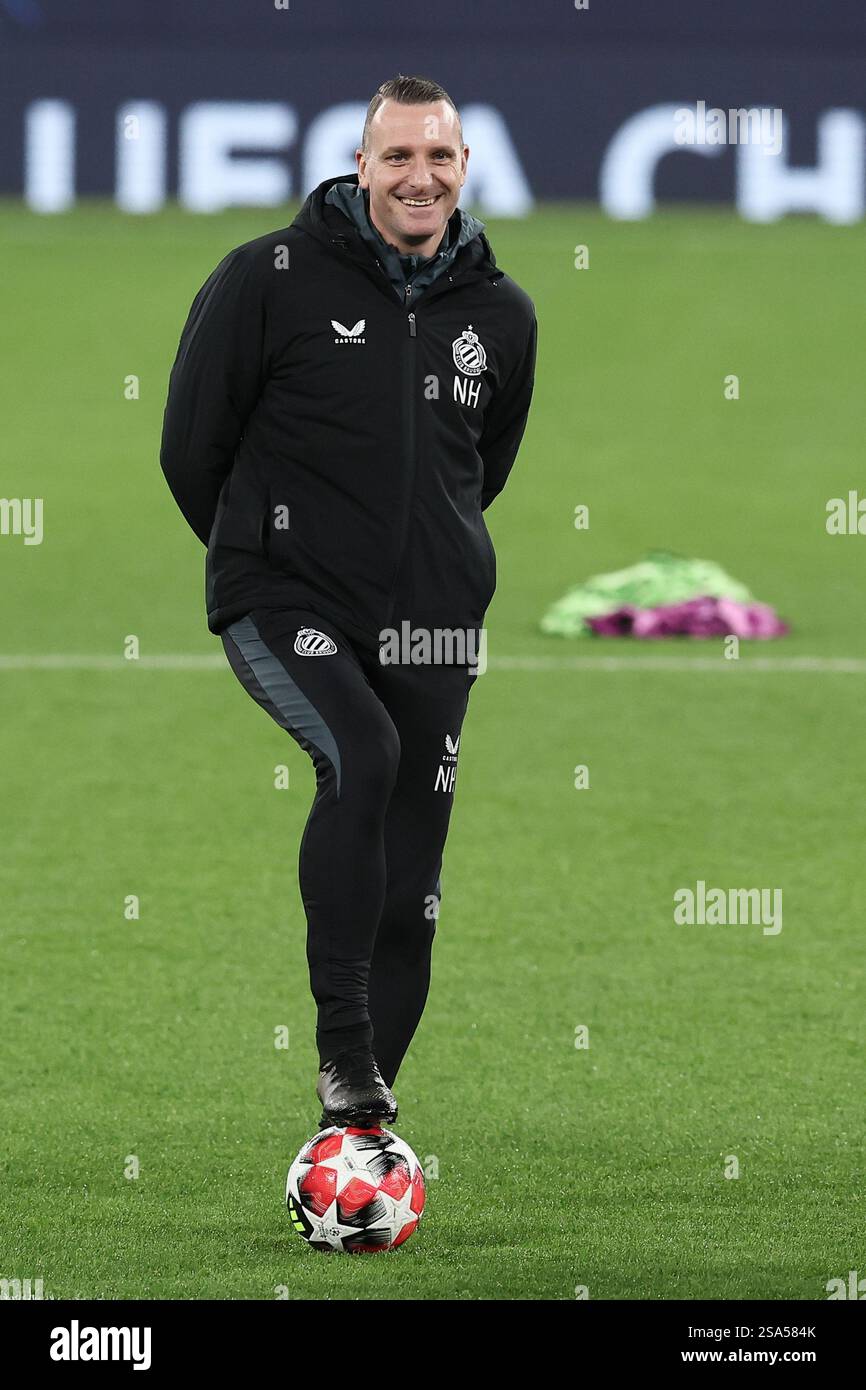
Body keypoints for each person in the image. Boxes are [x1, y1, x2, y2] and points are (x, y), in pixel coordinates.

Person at [160, 74, 537, 1130]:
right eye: (398, 157)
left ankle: (360, 1131)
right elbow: (191, 446)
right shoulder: (265, 279)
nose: (420, 177)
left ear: (463, 167)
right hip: (284, 600)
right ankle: (340, 1054)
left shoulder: (501, 314)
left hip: (434, 621)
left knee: (412, 887)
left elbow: (477, 469)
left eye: (440, 157)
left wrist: (429, 562)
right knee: (359, 755)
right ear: (359, 165)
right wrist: (268, 560)